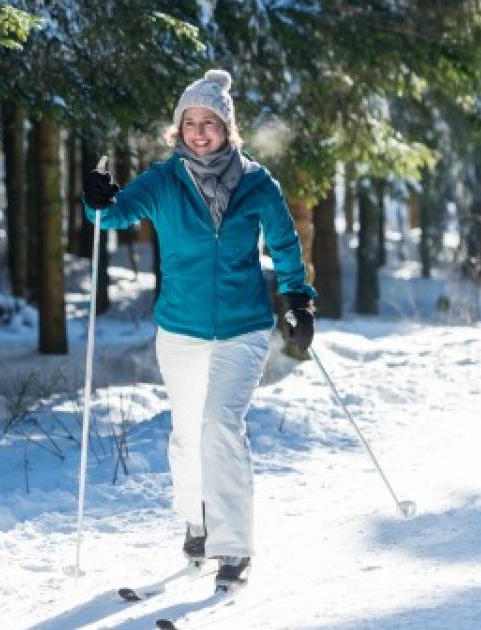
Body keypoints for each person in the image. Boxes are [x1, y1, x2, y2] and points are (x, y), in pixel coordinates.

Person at [82, 69, 316, 590]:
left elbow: (284, 244)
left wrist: (299, 301)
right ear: (179, 128)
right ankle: (198, 521)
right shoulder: (164, 180)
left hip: (244, 328)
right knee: (188, 435)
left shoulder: (257, 183)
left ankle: (233, 547)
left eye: (210, 122)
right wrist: (95, 198)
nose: (200, 132)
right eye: (191, 122)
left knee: (219, 427)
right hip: (181, 330)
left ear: (227, 129)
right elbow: (112, 217)